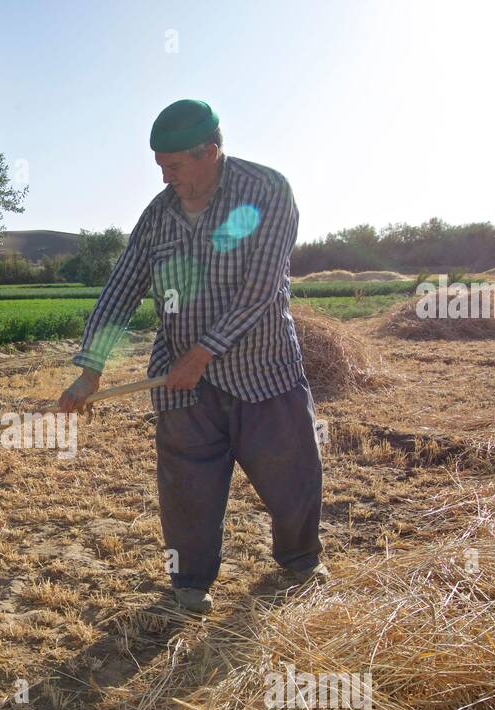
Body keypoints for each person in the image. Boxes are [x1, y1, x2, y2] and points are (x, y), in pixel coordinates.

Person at [57, 99, 328, 615]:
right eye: (160, 167)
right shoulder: (159, 216)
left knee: (290, 473)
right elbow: (122, 287)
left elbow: (261, 289)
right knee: (187, 488)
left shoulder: (266, 191)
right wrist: (90, 370)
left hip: (263, 370)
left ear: (211, 152)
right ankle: (190, 580)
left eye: (175, 166)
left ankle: (299, 560)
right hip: (181, 382)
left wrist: (204, 353)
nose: (166, 178)